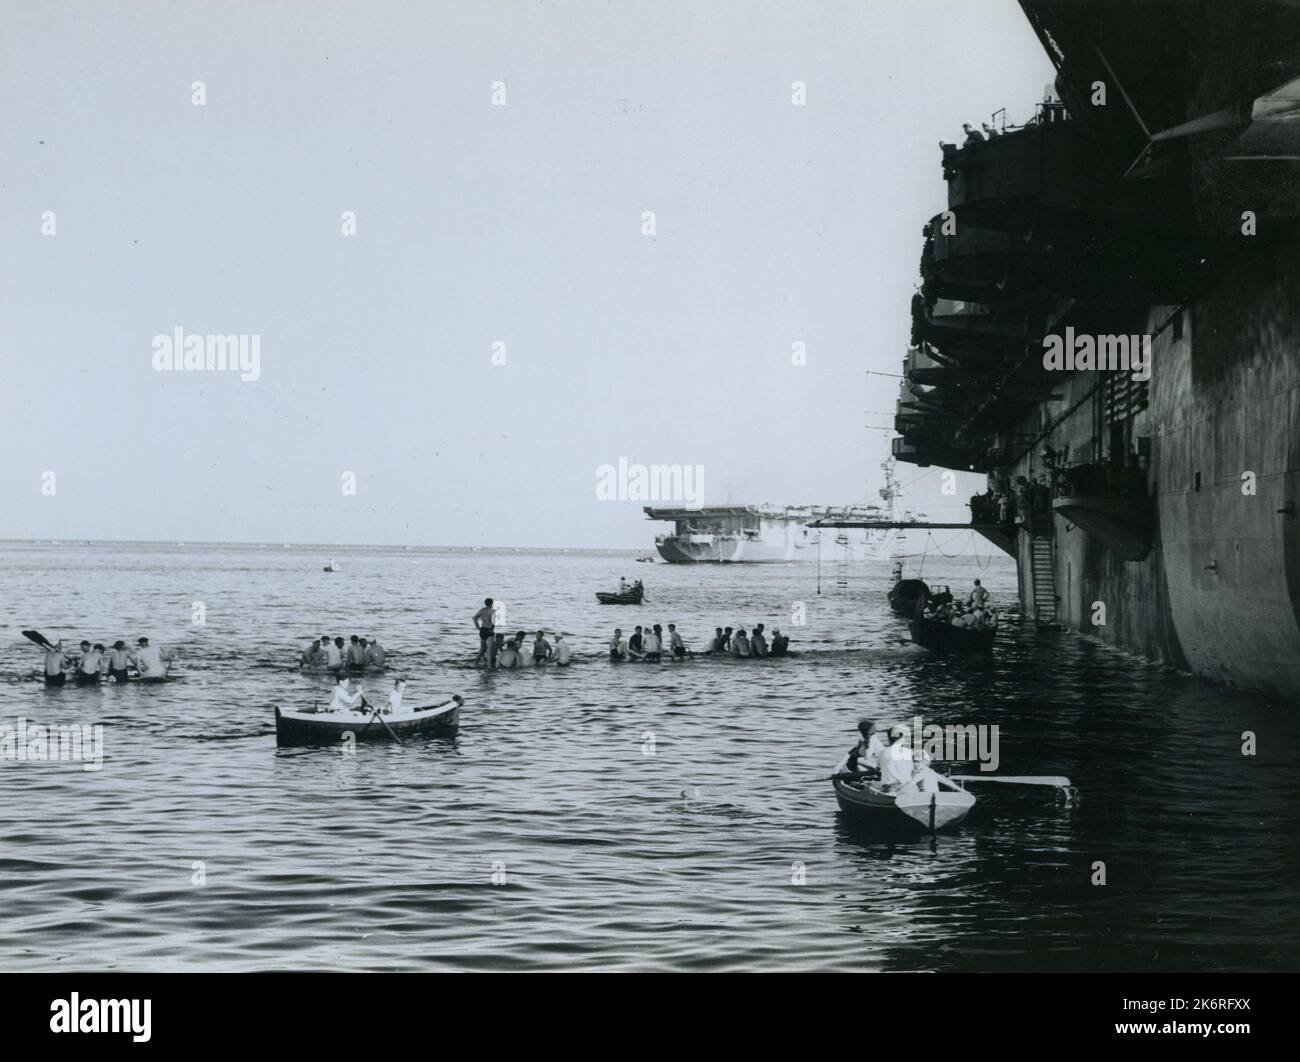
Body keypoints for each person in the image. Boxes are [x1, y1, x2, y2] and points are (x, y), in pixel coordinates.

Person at [473, 599, 496, 665]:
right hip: (489, 630)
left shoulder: (482, 610)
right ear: (491, 603)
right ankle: (489, 666)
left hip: (482, 630)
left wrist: (478, 627)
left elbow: (474, 618)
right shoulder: (493, 611)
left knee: (482, 648)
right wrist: (492, 631)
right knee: (489, 649)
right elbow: (493, 623)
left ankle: (476, 663)